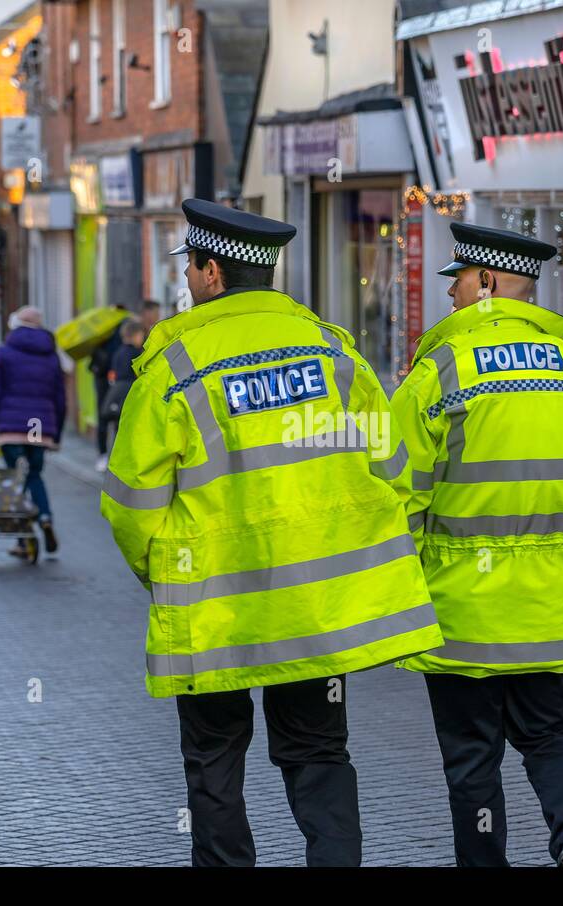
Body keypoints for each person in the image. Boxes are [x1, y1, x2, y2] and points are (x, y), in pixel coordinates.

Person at [101, 198, 443, 867]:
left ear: (211, 274)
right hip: (314, 610)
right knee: (319, 755)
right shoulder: (334, 352)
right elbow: (394, 471)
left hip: (214, 611)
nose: (190, 282)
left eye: (193, 268)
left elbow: (130, 504)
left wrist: (163, 572)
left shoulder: (174, 365)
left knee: (215, 762)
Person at [390, 222, 563, 868]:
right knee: (552, 734)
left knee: (473, 762)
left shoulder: (438, 371)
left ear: (487, 283)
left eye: (458, 283)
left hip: (463, 617)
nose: (450, 297)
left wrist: (404, 593)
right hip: (558, 608)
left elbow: (399, 499)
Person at [0, 306, 66, 555]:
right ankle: (44, 517)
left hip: (10, 428)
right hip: (38, 430)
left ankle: (21, 534)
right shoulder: (51, 355)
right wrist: (57, 433)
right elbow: (60, 399)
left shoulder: (5, 352)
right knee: (34, 476)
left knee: (14, 479)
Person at [97, 318, 144, 455]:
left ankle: (115, 455)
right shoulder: (137, 354)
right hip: (130, 395)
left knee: (118, 429)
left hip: (116, 393)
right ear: (136, 335)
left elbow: (113, 374)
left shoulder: (117, 353)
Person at [90, 317, 125, 472]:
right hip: (111, 380)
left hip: (106, 380)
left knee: (105, 417)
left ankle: (104, 456)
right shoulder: (115, 330)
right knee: (116, 418)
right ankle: (109, 456)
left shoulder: (101, 331)